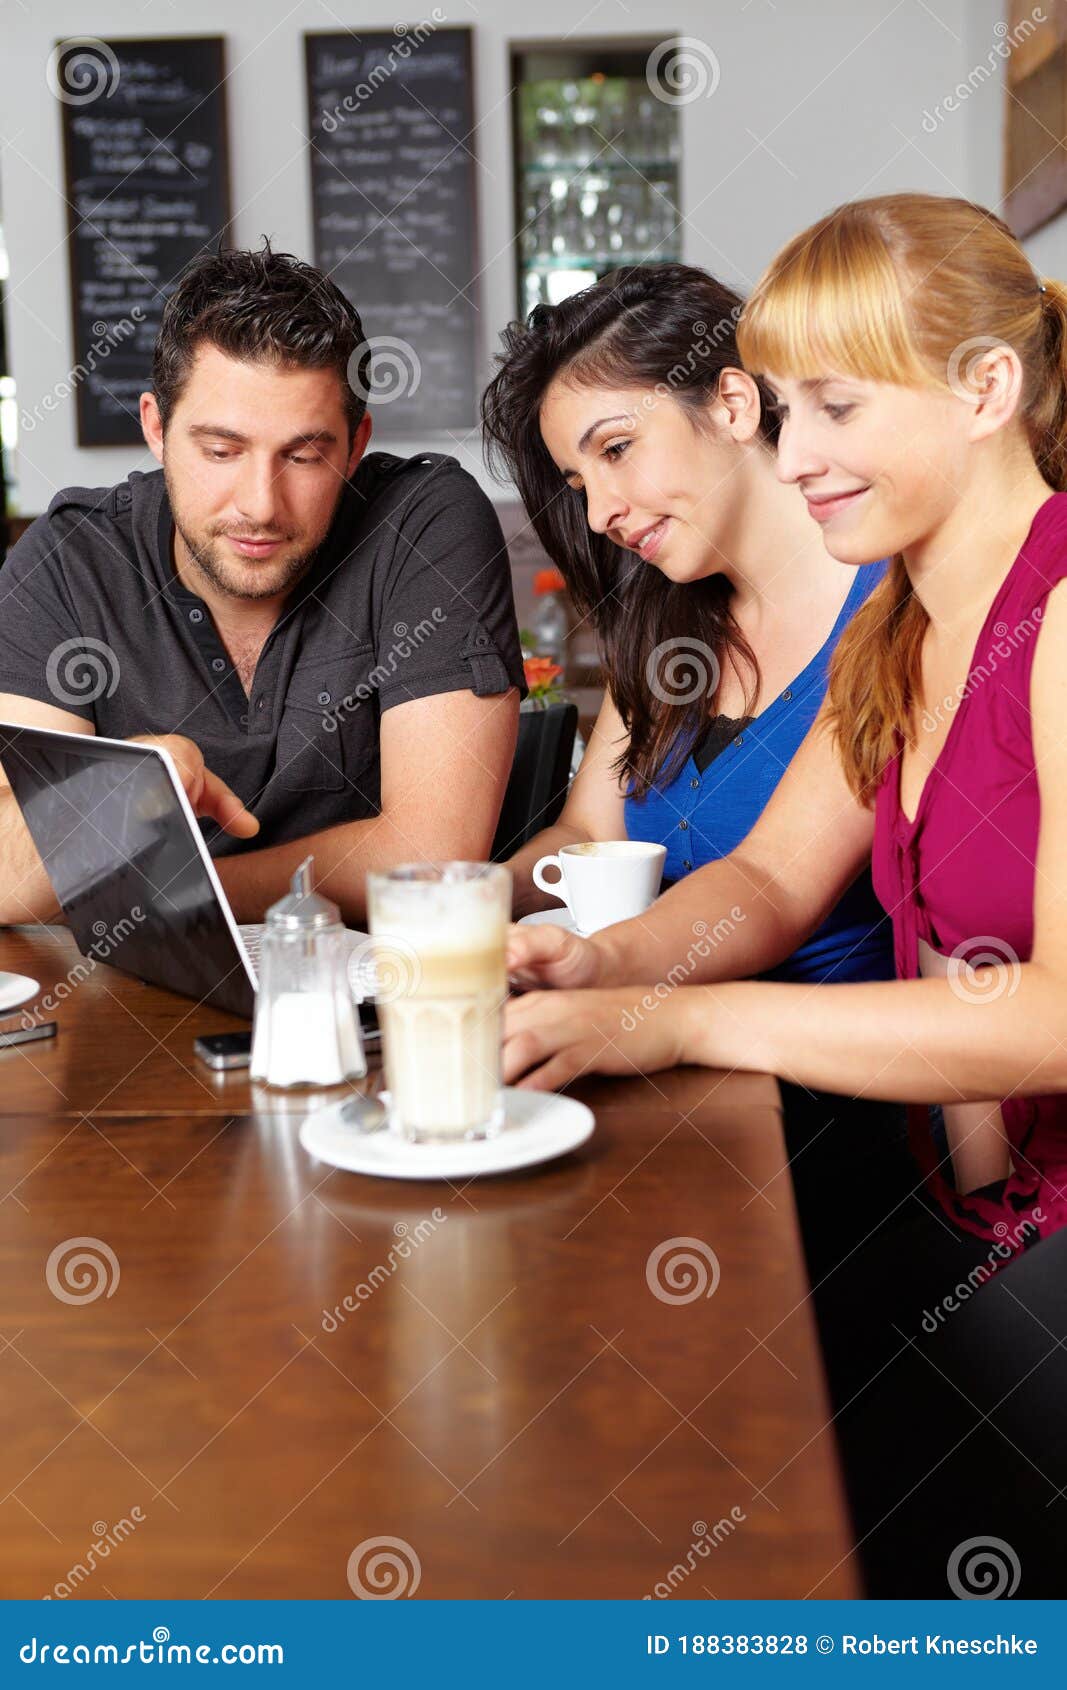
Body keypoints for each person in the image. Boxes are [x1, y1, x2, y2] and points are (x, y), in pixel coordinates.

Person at [503, 195, 1067, 1591]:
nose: (793, 450)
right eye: (785, 407)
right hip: (969, 1218)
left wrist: (680, 1020)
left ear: (983, 390)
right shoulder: (901, 622)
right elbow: (764, 875)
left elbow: (1051, 1017)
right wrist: (601, 966)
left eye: (834, 408)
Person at [482, 262, 907, 1288]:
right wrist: (472, 907)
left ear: (730, 402)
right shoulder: (667, 622)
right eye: (578, 484)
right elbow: (584, 837)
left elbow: (768, 882)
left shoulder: (891, 606)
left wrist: (597, 966)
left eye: (615, 450)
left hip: (825, 1119)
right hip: (661, 1073)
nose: (601, 511)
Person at [0, 242, 524, 926]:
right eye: (221, 451)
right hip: (122, 989)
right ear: (156, 427)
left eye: (303, 456)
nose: (260, 505)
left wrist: (165, 895)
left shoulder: (424, 521)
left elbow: (431, 856)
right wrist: (120, 791)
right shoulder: (71, 559)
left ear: (355, 444)